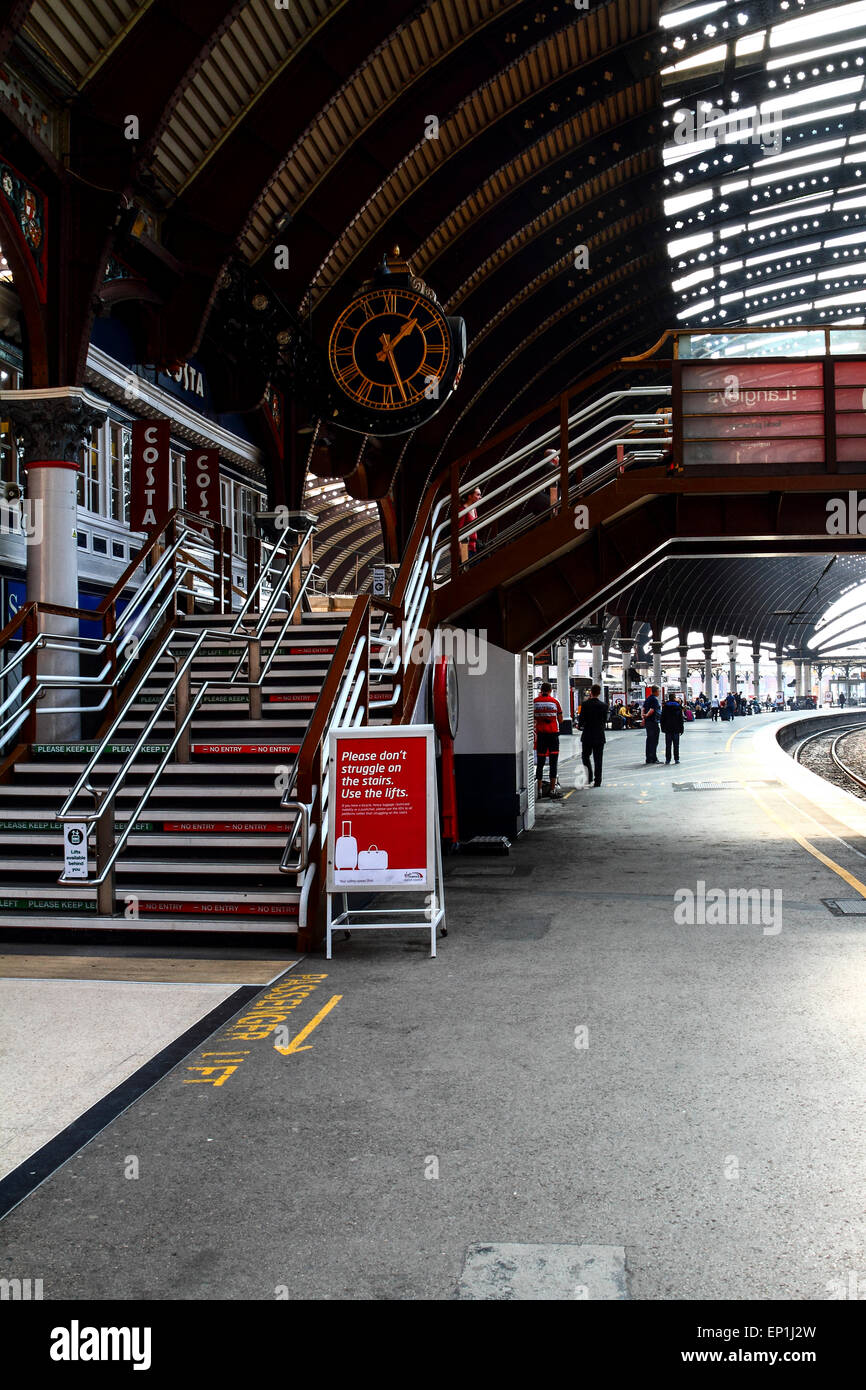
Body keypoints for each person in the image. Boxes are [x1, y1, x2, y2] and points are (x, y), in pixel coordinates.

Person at [534, 680, 562, 799]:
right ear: (550, 691)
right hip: (553, 735)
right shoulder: (555, 702)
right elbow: (560, 720)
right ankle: (552, 789)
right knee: (553, 762)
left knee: (540, 763)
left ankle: (539, 790)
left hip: (541, 735)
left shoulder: (534, 702)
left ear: (541, 690)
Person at [578, 682, 608, 787]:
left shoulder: (585, 705)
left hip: (587, 735)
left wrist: (581, 725)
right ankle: (598, 781)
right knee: (598, 759)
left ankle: (589, 776)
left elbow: (581, 720)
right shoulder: (604, 706)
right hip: (599, 735)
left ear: (591, 692)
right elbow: (605, 720)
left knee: (585, 756)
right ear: (599, 693)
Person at [459, 487, 482, 563]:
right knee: (466, 569)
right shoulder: (463, 510)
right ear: (470, 496)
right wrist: (460, 551)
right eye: (478, 495)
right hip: (465, 546)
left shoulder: (474, 509)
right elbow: (458, 530)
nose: (480, 497)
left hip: (473, 545)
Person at [660, 691, 685, 764]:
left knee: (668, 745)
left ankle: (668, 759)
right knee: (676, 745)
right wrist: (681, 729)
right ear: (674, 698)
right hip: (676, 728)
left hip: (668, 728)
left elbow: (662, 718)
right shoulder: (678, 707)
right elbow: (681, 719)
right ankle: (676, 759)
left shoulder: (665, 707)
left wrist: (663, 728)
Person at [642, 684, 661, 763]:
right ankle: (653, 758)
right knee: (654, 740)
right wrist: (647, 715)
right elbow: (652, 709)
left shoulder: (648, 699)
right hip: (653, 721)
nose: (659, 692)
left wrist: (643, 718)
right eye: (659, 691)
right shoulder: (655, 699)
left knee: (649, 740)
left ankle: (648, 758)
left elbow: (643, 708)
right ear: (656, 691)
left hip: (648, 722)